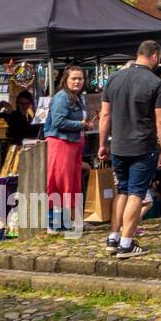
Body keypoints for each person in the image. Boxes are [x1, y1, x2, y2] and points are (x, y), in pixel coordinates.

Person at [97, 40, 161, 258]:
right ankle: (127, 243)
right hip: (142, 145)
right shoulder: (156, 84)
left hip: (118, 144)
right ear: (155, 56)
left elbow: (104, 115)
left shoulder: (113, 78)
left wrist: (103, 144)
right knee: (136, 193)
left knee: (122, 190)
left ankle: (114, 237)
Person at [45, 65, 94, 232]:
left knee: (73, 183)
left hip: (74, 143)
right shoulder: (61, 97)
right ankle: (54, 222)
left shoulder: (79, 98)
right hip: (61, 143)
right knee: (59, 182)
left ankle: (75, 220)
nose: (77, 81)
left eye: (80, 78)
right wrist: (80, 124)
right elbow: (58, 122)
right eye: (74, 78)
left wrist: (86, 124)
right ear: (66, 80)